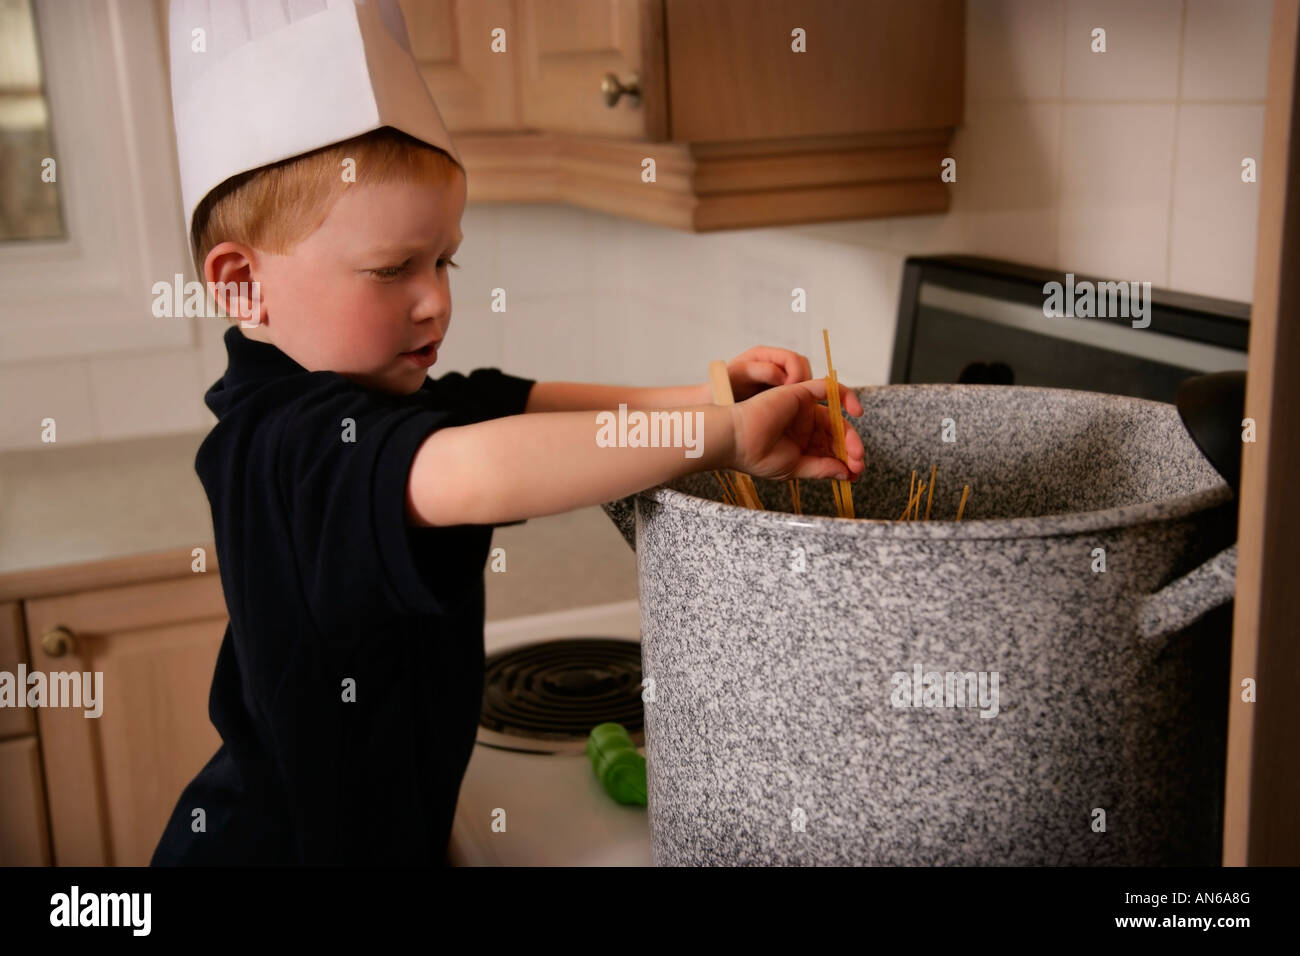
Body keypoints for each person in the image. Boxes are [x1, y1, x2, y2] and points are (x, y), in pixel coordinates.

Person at [152, 0, 864, 866]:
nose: (437, 299)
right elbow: (473, 468)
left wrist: (720, 392)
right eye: (393, 270)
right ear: (240, 286)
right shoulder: (282, 441)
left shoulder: (374, 399)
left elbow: (516, 408)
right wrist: (721, 438)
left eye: (445, 260)